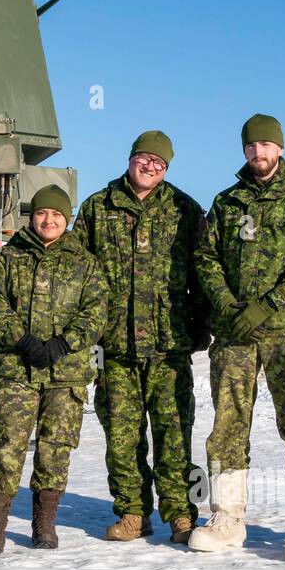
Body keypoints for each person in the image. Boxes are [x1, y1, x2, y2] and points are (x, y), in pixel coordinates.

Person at [191, 114, 285, 559]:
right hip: (235, 335)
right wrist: (229, 306)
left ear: (281, 149)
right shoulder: (226, 202)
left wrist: (267, 304)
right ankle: (227, 518)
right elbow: (205, 257)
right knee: (228, 427)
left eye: (266, 146)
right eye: (251, 147)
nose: (259, 153)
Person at [72, 131, 210, 543]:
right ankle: (132, 512)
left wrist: (201, 326)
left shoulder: (186, 210)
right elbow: (78, 270)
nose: (150, 166)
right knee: (122, 436)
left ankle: (182, 514)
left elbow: (204, 272)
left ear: (167, 169)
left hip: (169, 345)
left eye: (159, 163)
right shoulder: (99, 207)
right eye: (143, 158)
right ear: (130, 159)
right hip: (115, 346)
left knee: (175, 434)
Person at [0, 185, 106, 552]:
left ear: (67, 220)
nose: (48, 221)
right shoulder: (6, 258)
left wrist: (63, 343)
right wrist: (23, 341)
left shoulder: (86, 263)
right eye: (41, 214)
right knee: (6, 445)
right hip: (17, 369)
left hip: (66, 372)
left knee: (56, 447)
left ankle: (45, 523)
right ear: (31, 217)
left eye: (57, 215)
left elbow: (96, 311)